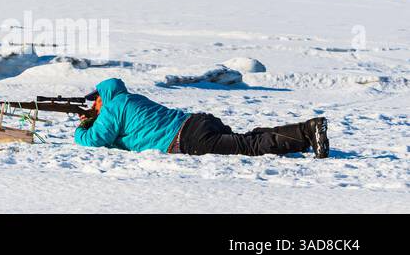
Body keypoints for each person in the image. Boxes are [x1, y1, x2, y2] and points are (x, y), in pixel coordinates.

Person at [75, 78, 328, 158]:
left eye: (95, 100)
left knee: (248, 146)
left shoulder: (112, 107)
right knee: (244, 139)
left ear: (102, 97)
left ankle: (306, 132)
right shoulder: (131, 99)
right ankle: (305, 133)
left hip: (187, 138)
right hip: (197, 121)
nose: (94, 105)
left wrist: (82, 127)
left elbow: (96, 140)